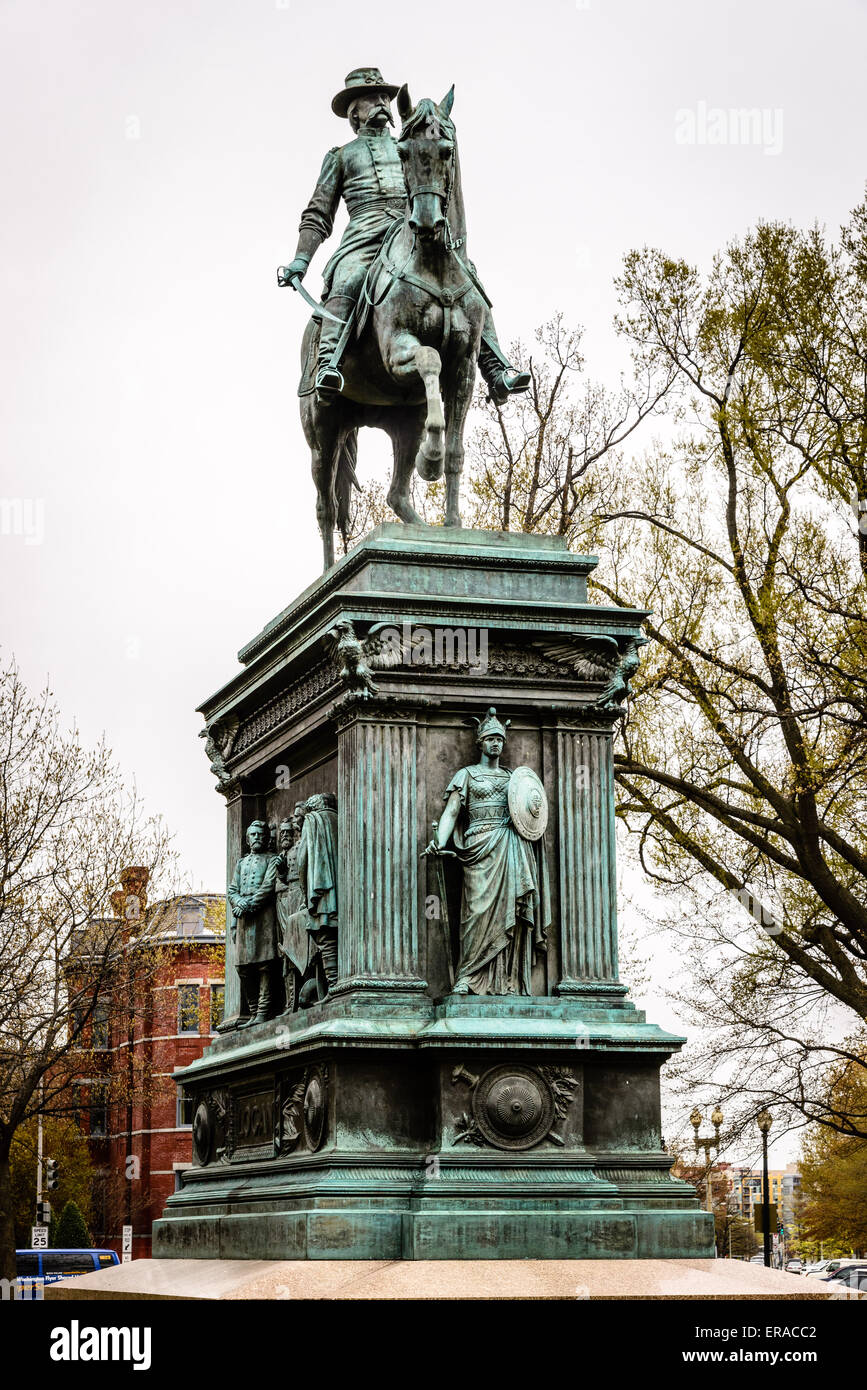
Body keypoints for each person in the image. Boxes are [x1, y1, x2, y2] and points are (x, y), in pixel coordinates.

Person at [277, 67, 530, 402]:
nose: (382, 103)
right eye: (372, 99)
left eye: (385, 97)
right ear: (355, 112)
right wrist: (301, 259)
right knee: (349, 277)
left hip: (411, 225)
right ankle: (329, 364)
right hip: (365, 235)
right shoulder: (341, 156)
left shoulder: (411, 143)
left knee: (466, 274)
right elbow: (318, 214)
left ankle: (495, 367)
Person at [424, 709, 549, 995]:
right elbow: (452, 812)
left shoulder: (513, 778)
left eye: (500, 740)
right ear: (480, 742)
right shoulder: (466, 775)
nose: (496, 744)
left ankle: (507, 980)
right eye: (490, 739)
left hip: (511, 848)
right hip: (478, 850)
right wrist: (440, 842)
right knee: (477, 913)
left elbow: (529, 812)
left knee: (512, 915)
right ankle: (469, 975)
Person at [227, 820, 279, 1026]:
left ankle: (263, 1013)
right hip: (243, 918)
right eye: (253, 835)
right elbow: (232, 890)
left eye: (260, 834)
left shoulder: (272, 859)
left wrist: (247, 905)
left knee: (264, 964)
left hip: (263, 915)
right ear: (248, 839)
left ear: (266, 837)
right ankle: (254, 1010)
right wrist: (238, 902)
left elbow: (268, 887)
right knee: (243, 967)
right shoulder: (241, 863)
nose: (257, 837)